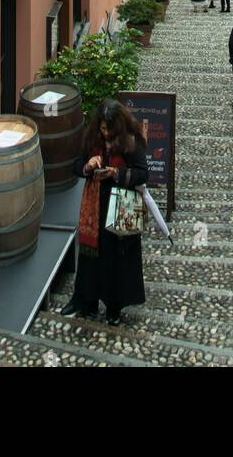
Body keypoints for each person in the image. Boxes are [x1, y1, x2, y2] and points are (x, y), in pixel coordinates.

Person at [62, 99, 148, 325]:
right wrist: (88, 165)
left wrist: (115, 173)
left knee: (116, 259)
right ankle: (86, 301)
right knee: (91, 255)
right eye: (103, 128)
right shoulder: (92, 138)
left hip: (120, 206)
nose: (106, 133)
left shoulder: (131, 141)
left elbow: (142, 174)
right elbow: (76, 165)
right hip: (95, 205)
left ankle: (113, 307)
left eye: (109, 129)